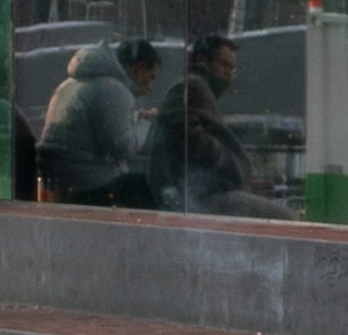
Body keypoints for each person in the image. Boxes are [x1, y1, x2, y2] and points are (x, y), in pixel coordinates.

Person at [149, 31, 286, 217]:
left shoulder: (195, 87)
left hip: (194, 193)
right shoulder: (193, 86)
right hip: (193, 197)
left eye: (232, 68)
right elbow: (188, 140)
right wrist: (230, 165)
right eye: (224, 65)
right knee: (284, 218)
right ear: (203, 61)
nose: (228, 73)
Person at [38, 37, 155, 206]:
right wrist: (144, 126)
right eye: (151, 77)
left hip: (60, 179)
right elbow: (122, 147)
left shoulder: (72, 83)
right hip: (86, 183)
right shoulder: (115, 90)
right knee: (150, 186)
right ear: (140, 67)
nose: (150, 86)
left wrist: (135, 117)